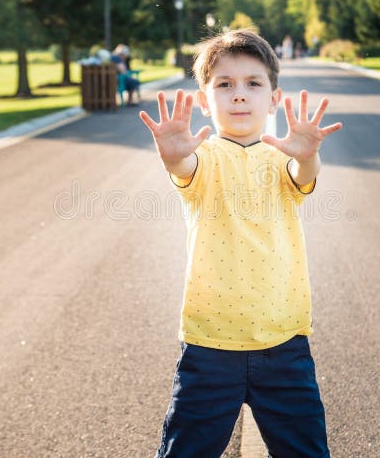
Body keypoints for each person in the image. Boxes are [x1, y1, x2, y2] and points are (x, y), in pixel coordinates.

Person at [139, 29, 343, 457]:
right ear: (203, 100)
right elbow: (184, 165)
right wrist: (173, 154)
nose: (239, 96)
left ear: (273, 99)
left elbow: (303, 176)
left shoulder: (283, 156)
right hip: (211, 346)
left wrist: (306, 154)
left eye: (253, 84)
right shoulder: (204, 159)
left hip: (284, 343)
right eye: (224, 85)